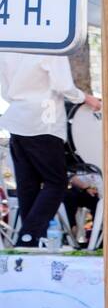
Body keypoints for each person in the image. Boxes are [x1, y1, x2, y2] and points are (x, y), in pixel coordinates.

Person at [0, 52, 101, 248]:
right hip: (45, 119)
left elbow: (4, 88)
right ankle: (29, 236)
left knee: (27, 184)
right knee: (56, 182)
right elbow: (63, 85)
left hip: (18, 117)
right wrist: (85, 98)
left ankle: (30, 242)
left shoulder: (9, 46)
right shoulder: (51, 45)